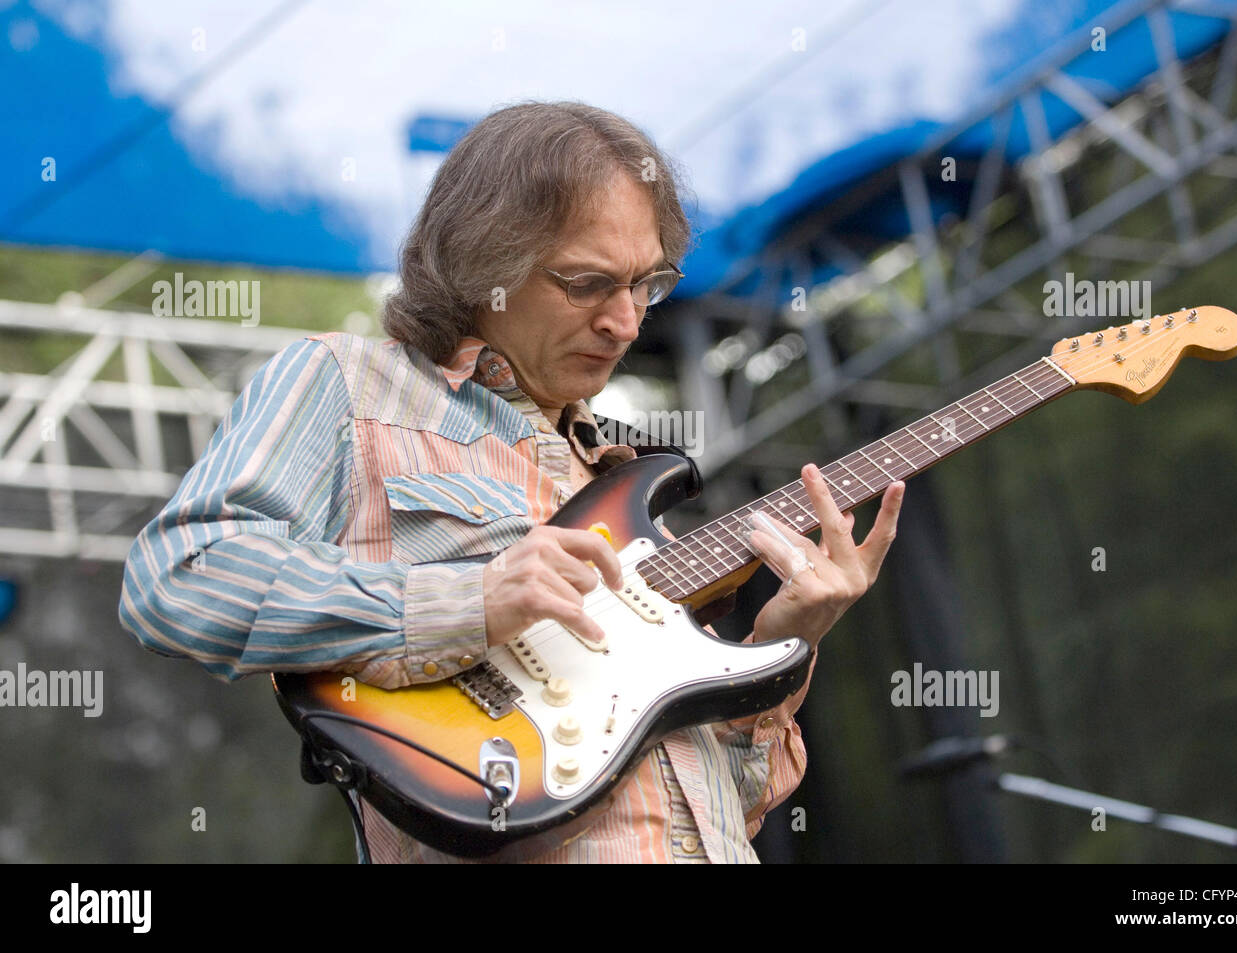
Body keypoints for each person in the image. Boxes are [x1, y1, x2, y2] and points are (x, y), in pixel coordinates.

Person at [118, 100, 905, 863]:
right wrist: (468, 602)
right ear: (482, 260)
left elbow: (730, 806)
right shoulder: (349, 385)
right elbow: (178, 577)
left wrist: (785, 640)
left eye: (646, 285)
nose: (627, 323)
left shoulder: (626, 477)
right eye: (589, 283)